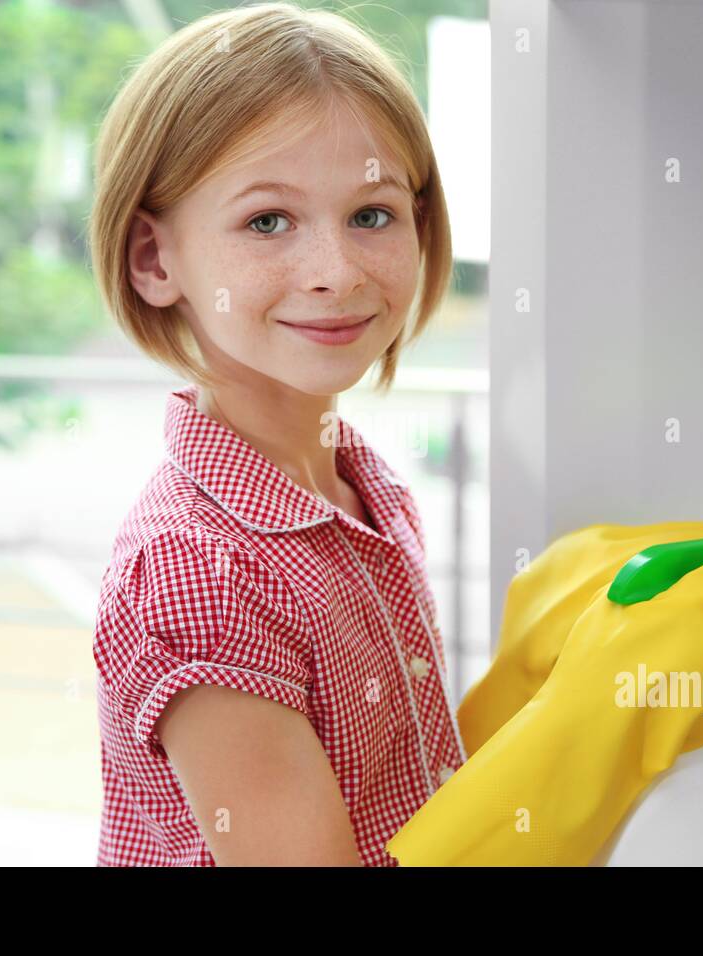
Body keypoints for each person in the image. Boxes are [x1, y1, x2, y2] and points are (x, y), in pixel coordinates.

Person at [87, 2, 458, 866]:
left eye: (372, 214)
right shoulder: (197, 574)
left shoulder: (362, 488)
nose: (335, 272)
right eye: (267, 222)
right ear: (154, 258)